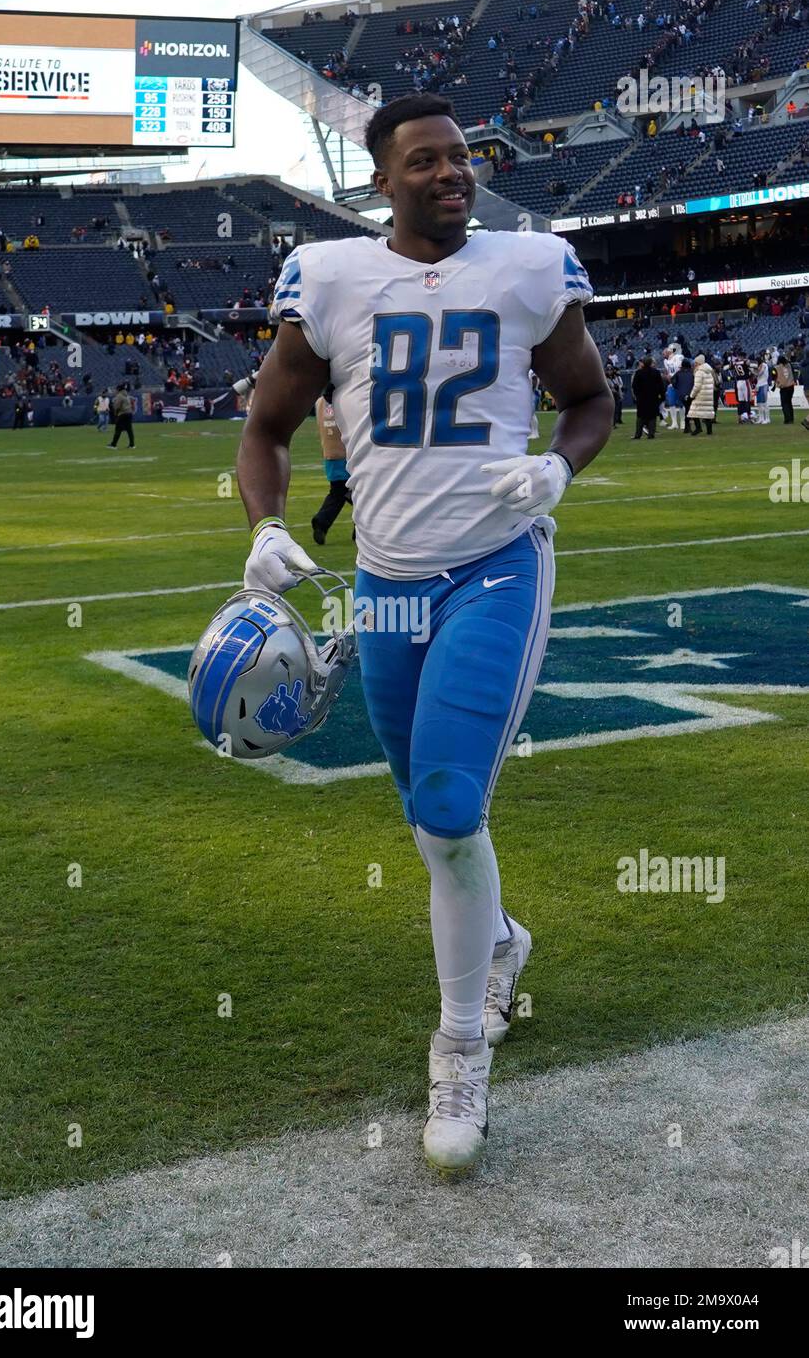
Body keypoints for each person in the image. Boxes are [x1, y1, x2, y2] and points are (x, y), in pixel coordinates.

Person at [235, 92, 612, 1175]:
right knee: (424, 816)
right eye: (427, 163)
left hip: (495, 565)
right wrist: (264, 528)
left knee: (451, 803)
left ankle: (457, 1048)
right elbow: (263, 430)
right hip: (386, 586)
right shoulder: (333, 277)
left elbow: (588, 399)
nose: (452, 174)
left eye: (461, 158)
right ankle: (497, 943)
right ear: (381, 183)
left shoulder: (530, 266)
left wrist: (554, 465)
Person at [311, 383, 353, 545]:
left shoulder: (320, 403)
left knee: (338, 491)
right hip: (348, 455)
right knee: (359, 493)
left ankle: (322, 522)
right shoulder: (345, 402)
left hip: (330, 454)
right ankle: (362, 530)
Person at [631, 356, 665, 439]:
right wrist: (662, 396)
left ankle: (638, 434)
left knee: (640, 416)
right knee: (652, 416)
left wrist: (637, 395)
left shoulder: (639, 373)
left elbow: (634, 386)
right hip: (653, 397)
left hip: (642, 398)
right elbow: (661, 385)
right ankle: (651, 434)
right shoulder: (656, 372)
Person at [688, 353, 715, 435]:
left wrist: (691, 395)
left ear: (699, 363)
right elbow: (712, 383)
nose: (694, 364)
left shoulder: (699, 372)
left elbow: (697, 386)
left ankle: (698, 428)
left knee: (693, 411)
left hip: (701, 395)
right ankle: (709, 431)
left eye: (695, 362)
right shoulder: (709, 371)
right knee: (707, 412)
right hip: (709, 395)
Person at [108, 383, 135, 448]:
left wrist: (115, 413)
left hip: (122, 414)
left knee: (118, 429)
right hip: (129, 413)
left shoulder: (119, 396)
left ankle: (113, 444)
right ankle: (132, 444)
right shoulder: (126, 395)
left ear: (119, 389)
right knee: (129, 430)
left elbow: (117, 406)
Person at [775, 354, 795, 424]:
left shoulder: (777, 367)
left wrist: (779, 385)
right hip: (791, 386)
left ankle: (787, 419)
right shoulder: (789, 365)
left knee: (784, 404)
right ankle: (791, 418)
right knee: (789, 402)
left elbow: (776, 378)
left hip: (784, 387)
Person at [753, 353, 770, 425]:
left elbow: (759, 373)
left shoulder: (764, 365)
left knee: (764, 403)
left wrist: (752, 370)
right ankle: (761, 418)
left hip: (764, 385)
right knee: (759, 403)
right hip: (758, 385)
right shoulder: (759, 366)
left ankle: (767, 419)